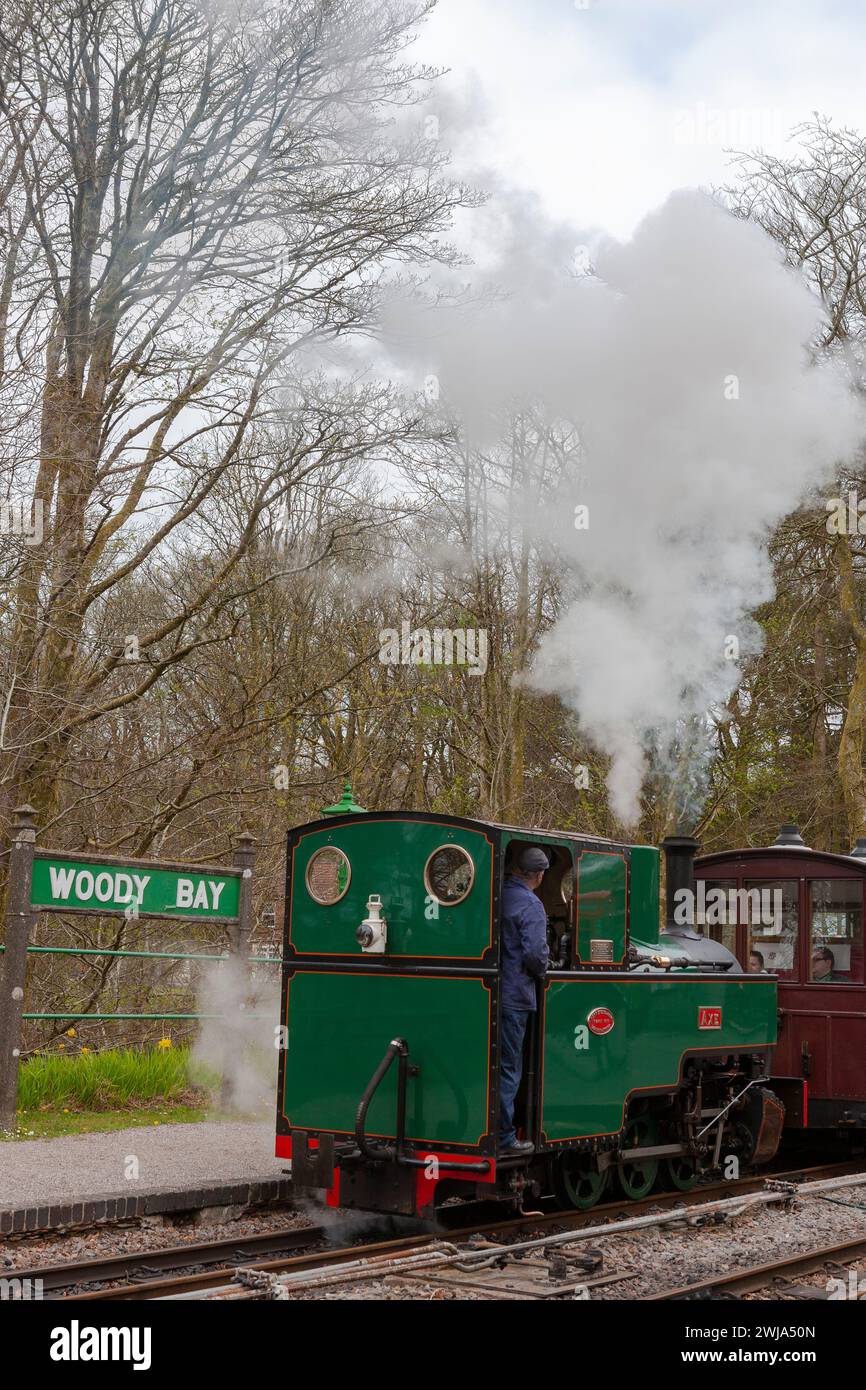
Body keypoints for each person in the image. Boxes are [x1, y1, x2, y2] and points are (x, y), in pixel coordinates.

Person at [499, 846, 550, 1153]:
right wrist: (547, 967)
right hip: (515, 995)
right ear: (540, 875)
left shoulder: (497, 895)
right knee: (508, 1067)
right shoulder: (530, 904)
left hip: (488, 994)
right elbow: (535, 955)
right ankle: (505, 1136)